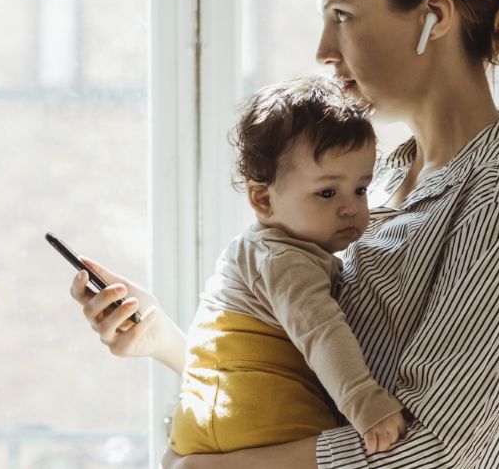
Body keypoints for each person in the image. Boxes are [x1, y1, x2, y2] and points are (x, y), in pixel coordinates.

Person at [70, 0, 499, 468]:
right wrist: (164, 342)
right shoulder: (380, 185)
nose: (322, 51)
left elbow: (435, 450)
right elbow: (317, 378)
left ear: (432, 17)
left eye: (342, 15)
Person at [169, 75, 406, 456]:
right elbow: (321, 331)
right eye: (327, 192)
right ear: (262, 199)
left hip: (207, 419)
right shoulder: (285, 260)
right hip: (259, 417)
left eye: (360, 189)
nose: (351, 207)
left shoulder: (259, 251)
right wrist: (365, 401)